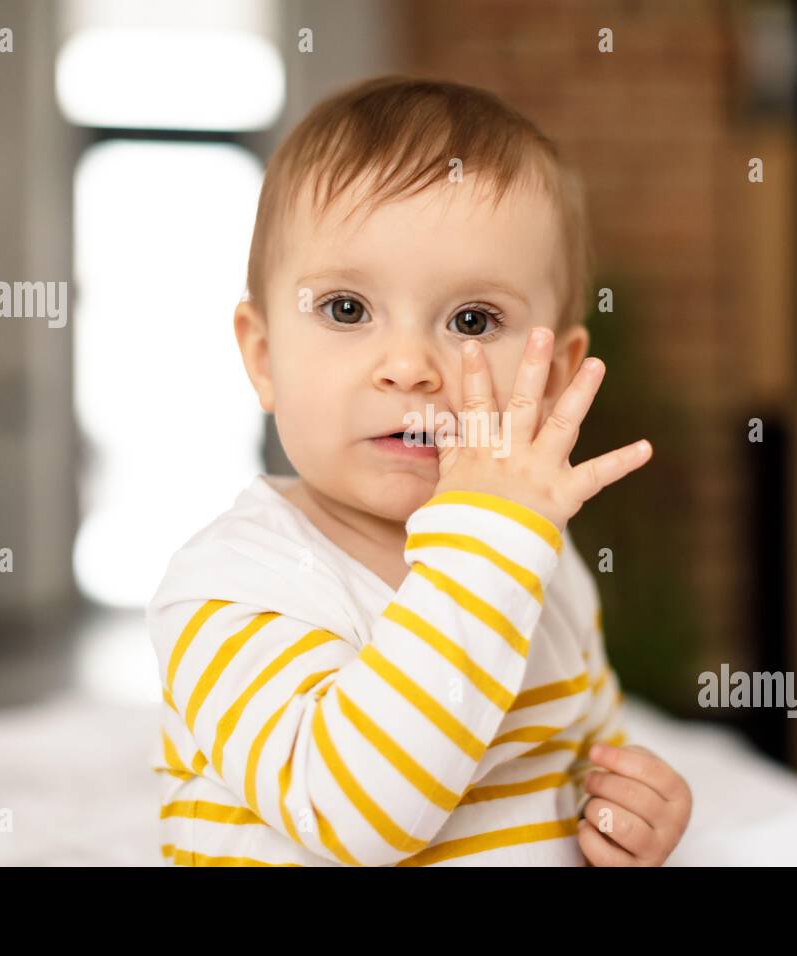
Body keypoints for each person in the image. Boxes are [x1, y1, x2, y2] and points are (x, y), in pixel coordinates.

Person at [147, 74, 692, 866]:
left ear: (555, 373)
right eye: (346, 309)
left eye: (473, 320)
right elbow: (356, 816)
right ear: (263, 358)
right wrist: (486, 555)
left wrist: (627, 814)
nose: (409, 366)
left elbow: (581, 755)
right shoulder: (231, 584)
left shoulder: (538, 559)